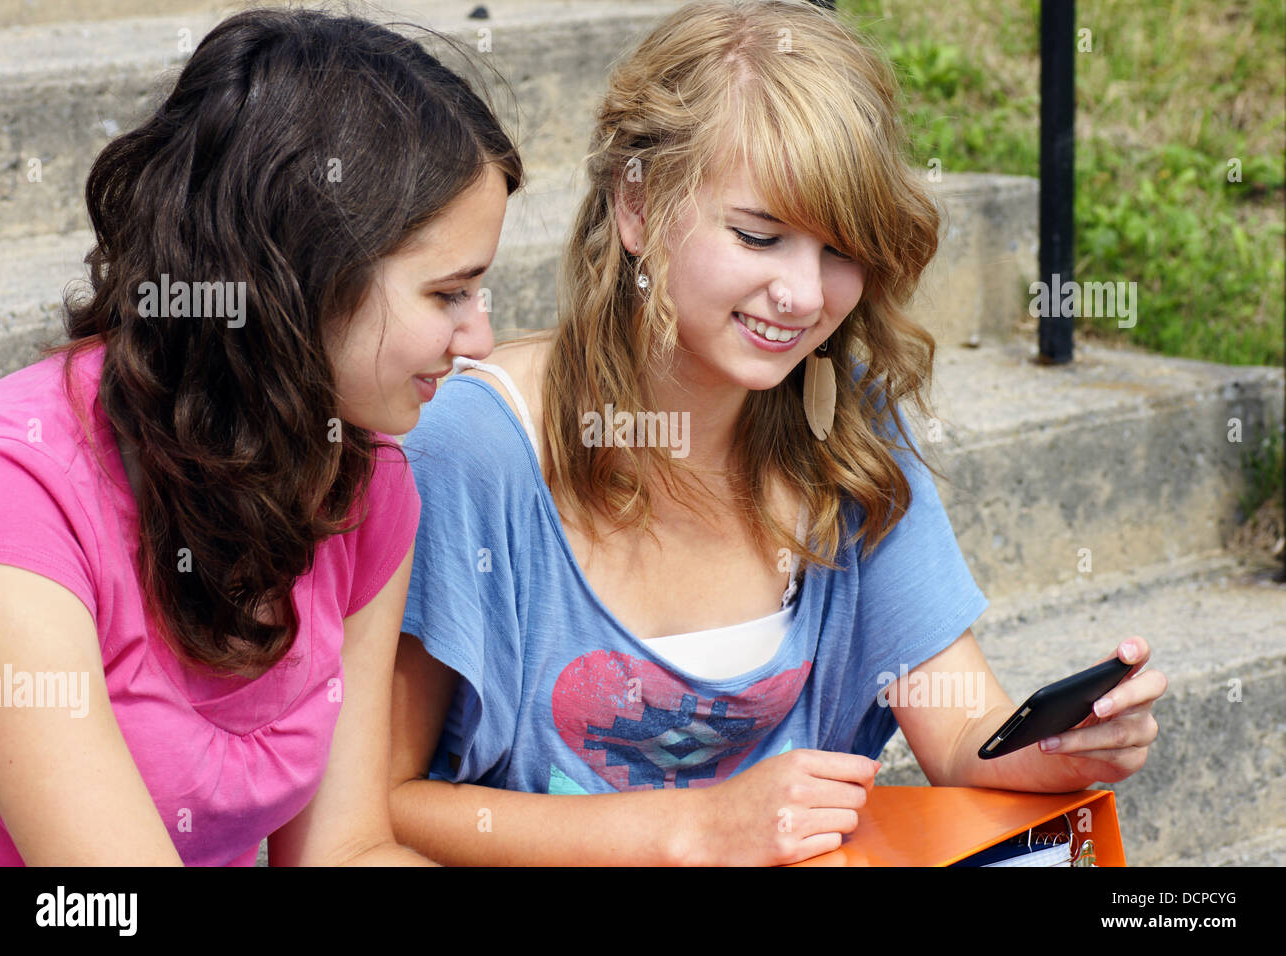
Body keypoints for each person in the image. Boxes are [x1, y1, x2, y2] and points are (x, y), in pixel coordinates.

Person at [388, 0, 1167, 866]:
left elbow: (959, 740)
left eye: (841, 251)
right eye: (760, 236)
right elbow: (377, 815)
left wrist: (1064, 744)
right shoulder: (475, 448)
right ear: (637, 206)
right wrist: (691, 828)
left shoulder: (850, 422)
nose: (804, 296)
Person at [0, 7, 520, 865]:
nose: (481, 339)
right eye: (447, 294)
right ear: (305, 274)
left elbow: (342, 853)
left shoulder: (366, 476)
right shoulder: (19, 494)